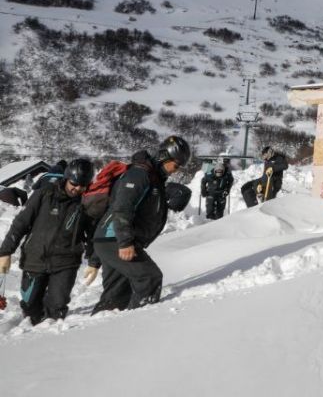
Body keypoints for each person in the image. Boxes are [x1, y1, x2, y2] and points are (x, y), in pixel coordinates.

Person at [91, 135, 191, 313]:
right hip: (115, 239)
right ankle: (139, 324)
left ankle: (100, 331)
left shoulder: (153, 177)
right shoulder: (139, 174)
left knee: (116, 295)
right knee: (149, 278)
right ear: (164, 157)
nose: (176, 170)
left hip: (112, 239)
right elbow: (122, 208)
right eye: (176, 165)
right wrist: (125, 242)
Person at [0, 159, 96, 325]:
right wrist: (5, 252)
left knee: (56, 307)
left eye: (83, 185)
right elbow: (21, 223)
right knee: (30, 307)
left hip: (66, 262)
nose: (77, 188)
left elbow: (93, 235)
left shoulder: (86, 203)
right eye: (74, 183)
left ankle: (49, 341)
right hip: (35, 258)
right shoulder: (44, 194)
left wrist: (94, 261)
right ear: (66, 178)